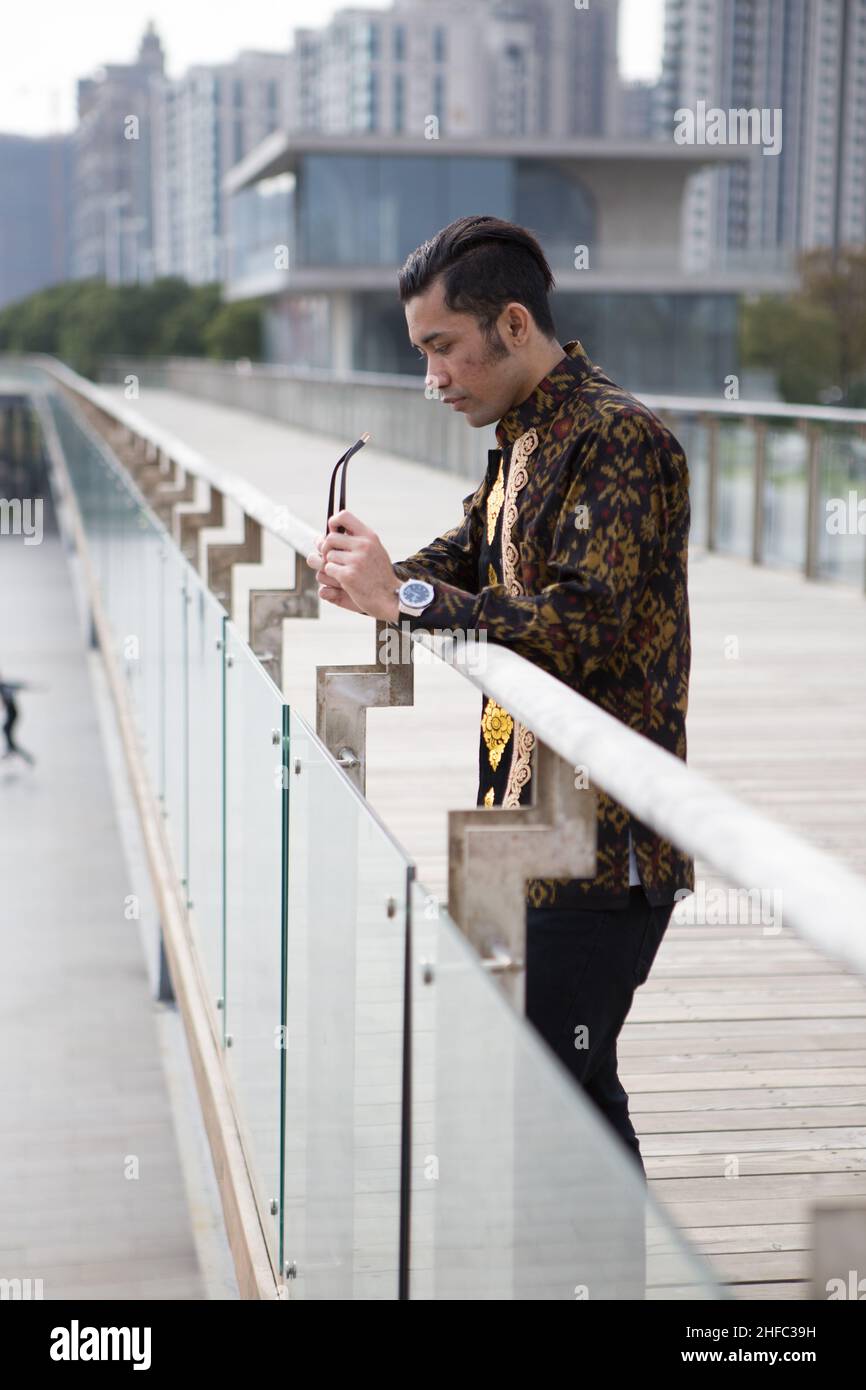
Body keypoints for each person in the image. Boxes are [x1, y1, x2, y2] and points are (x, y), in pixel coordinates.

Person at [306, 214, 694, 1183]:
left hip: (602, 845)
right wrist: (378, 568)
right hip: (521, 824)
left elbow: (584, 624)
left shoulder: (617, 438)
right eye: (422, 353)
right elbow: (474, 556)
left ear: (511, 324)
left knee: (550, 1096)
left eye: (443, 348)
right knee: (565, 1091)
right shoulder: (523, 436)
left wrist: (400, 595)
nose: (431, 378)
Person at [0, 673, 36, 764]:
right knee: (5, 729)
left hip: (13, 713)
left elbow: (17, 685)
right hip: (12, 713)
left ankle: (11, 748)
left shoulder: (5, 686)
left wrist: (31, 686)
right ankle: (10, 748)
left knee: (6, 729)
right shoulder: (3, 687)